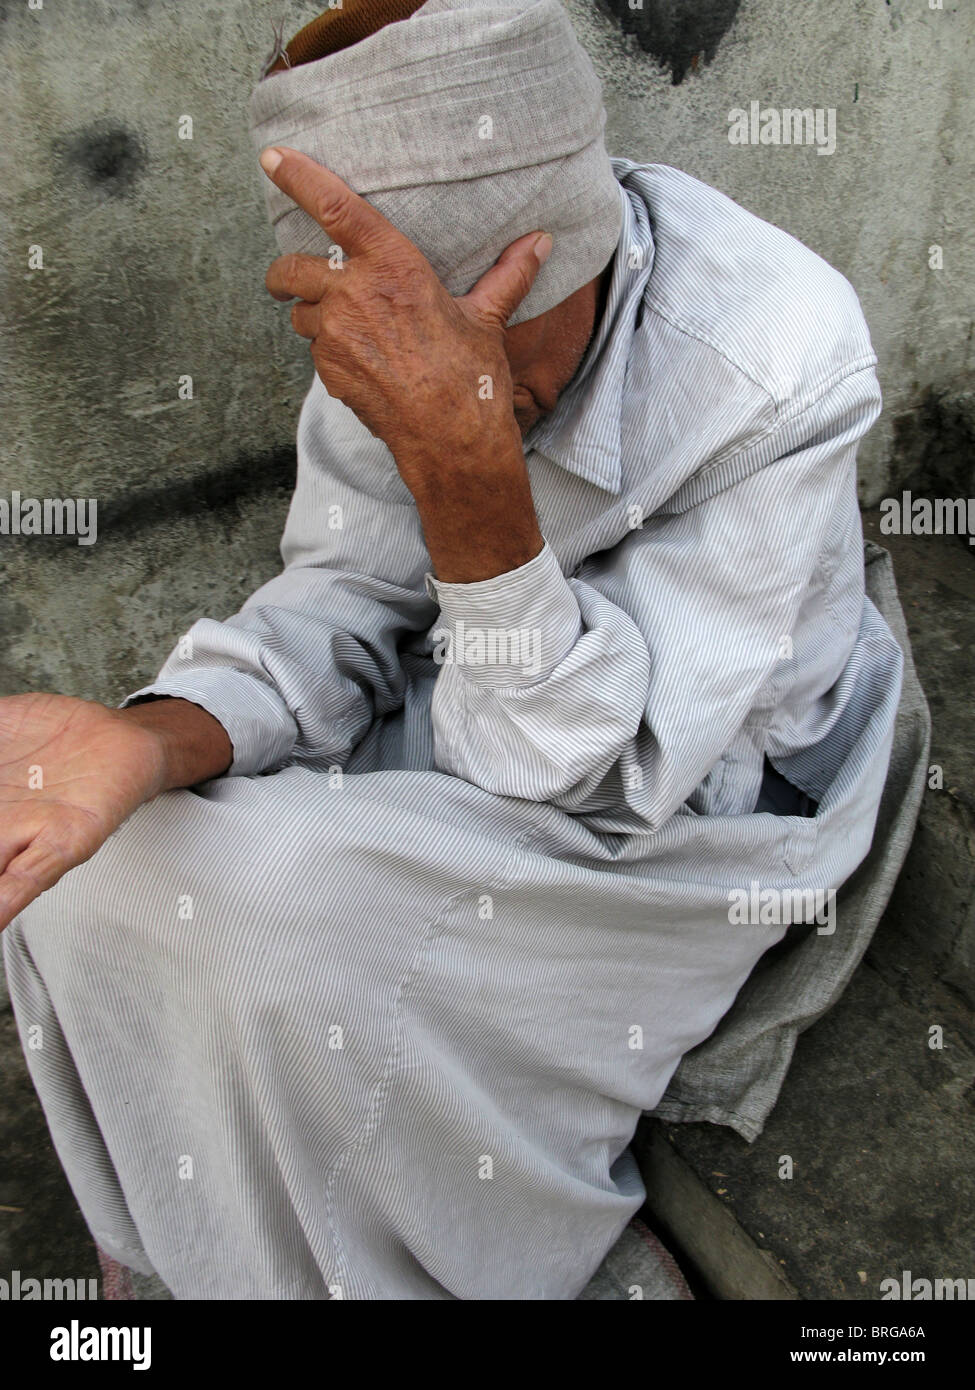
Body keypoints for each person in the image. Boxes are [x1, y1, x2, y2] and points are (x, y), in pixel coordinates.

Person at [1, 0, 903, 1299]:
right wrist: (142, 741)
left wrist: (469, 473)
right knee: (82, 879)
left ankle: (485, 1247)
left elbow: (618, 772)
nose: (428, 363)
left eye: (470, 315)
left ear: (554, 246)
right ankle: (219, 1252)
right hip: (479, 707)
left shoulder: (775, 354)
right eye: (386, 336)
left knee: (275, 923)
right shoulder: (387, 339)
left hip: (688, 808)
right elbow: (343, 607)